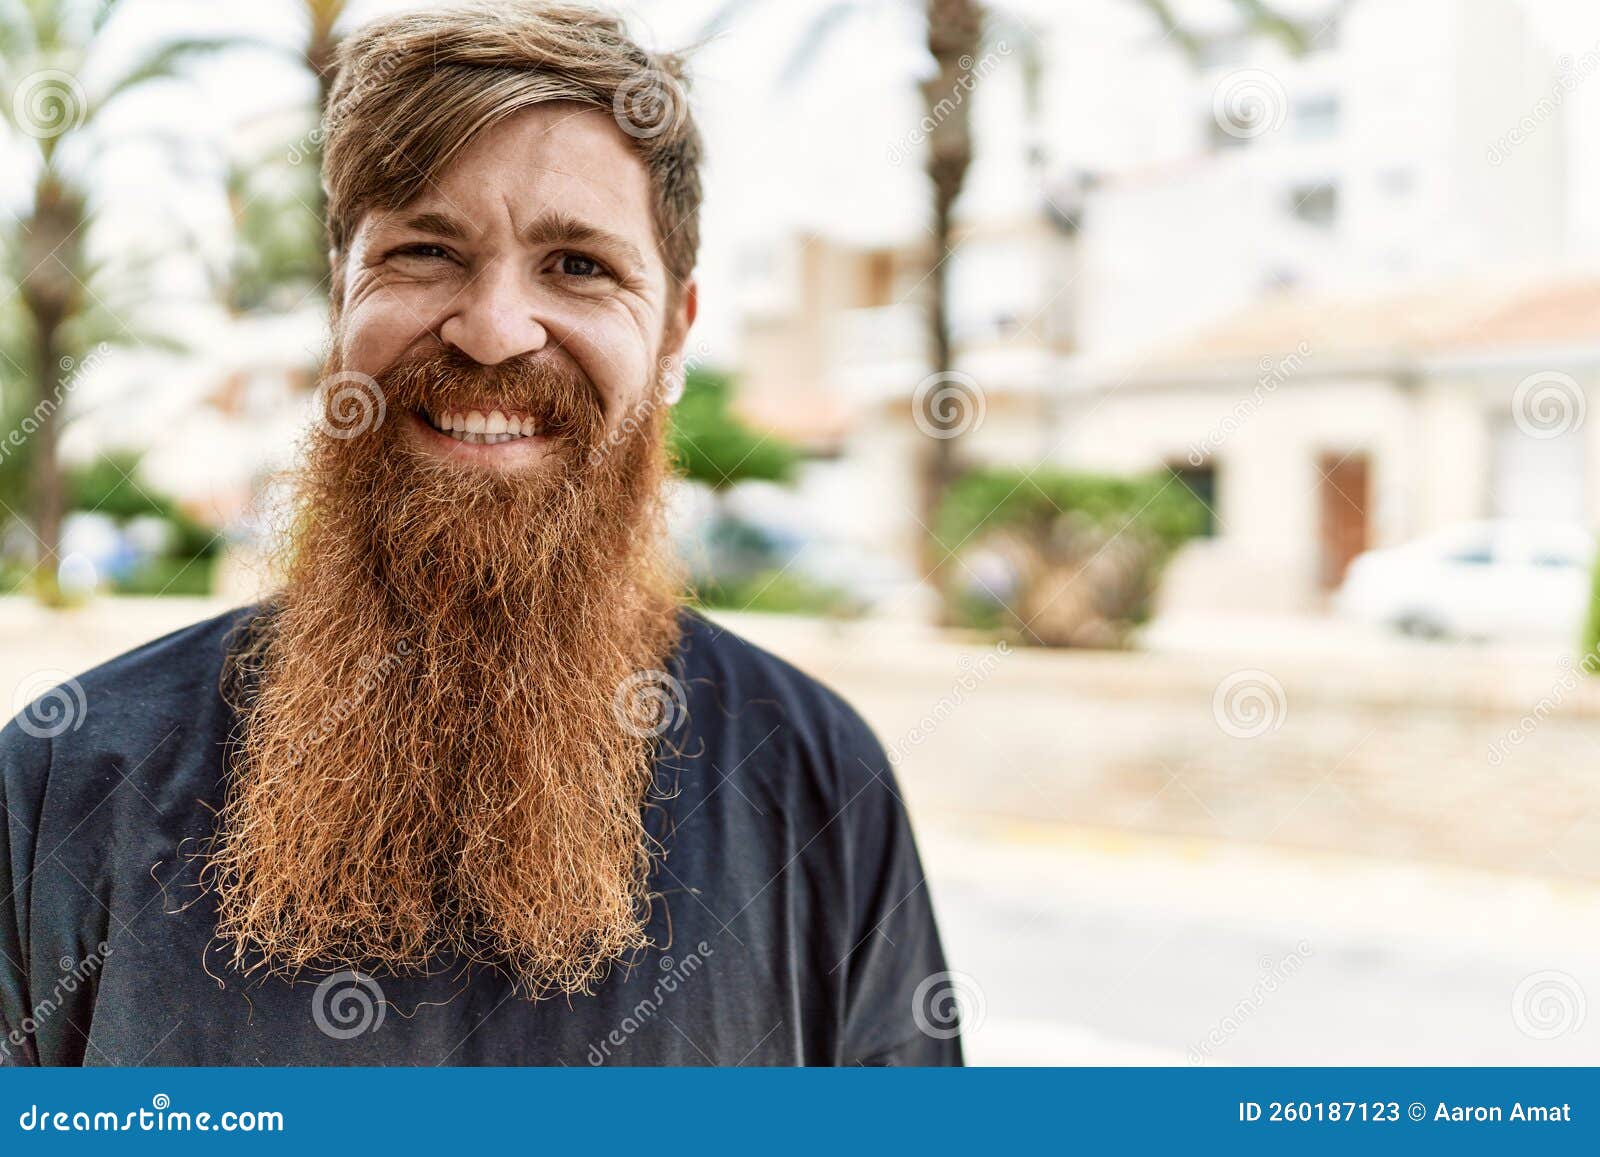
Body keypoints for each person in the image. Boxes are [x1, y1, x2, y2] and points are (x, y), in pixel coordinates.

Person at [0, 0, 959, 1066]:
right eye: (424, 250)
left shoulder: (814, 785)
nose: (495, 328)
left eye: (580, 266)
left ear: (675, 327)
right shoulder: (64, 781)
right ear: (339, 298)